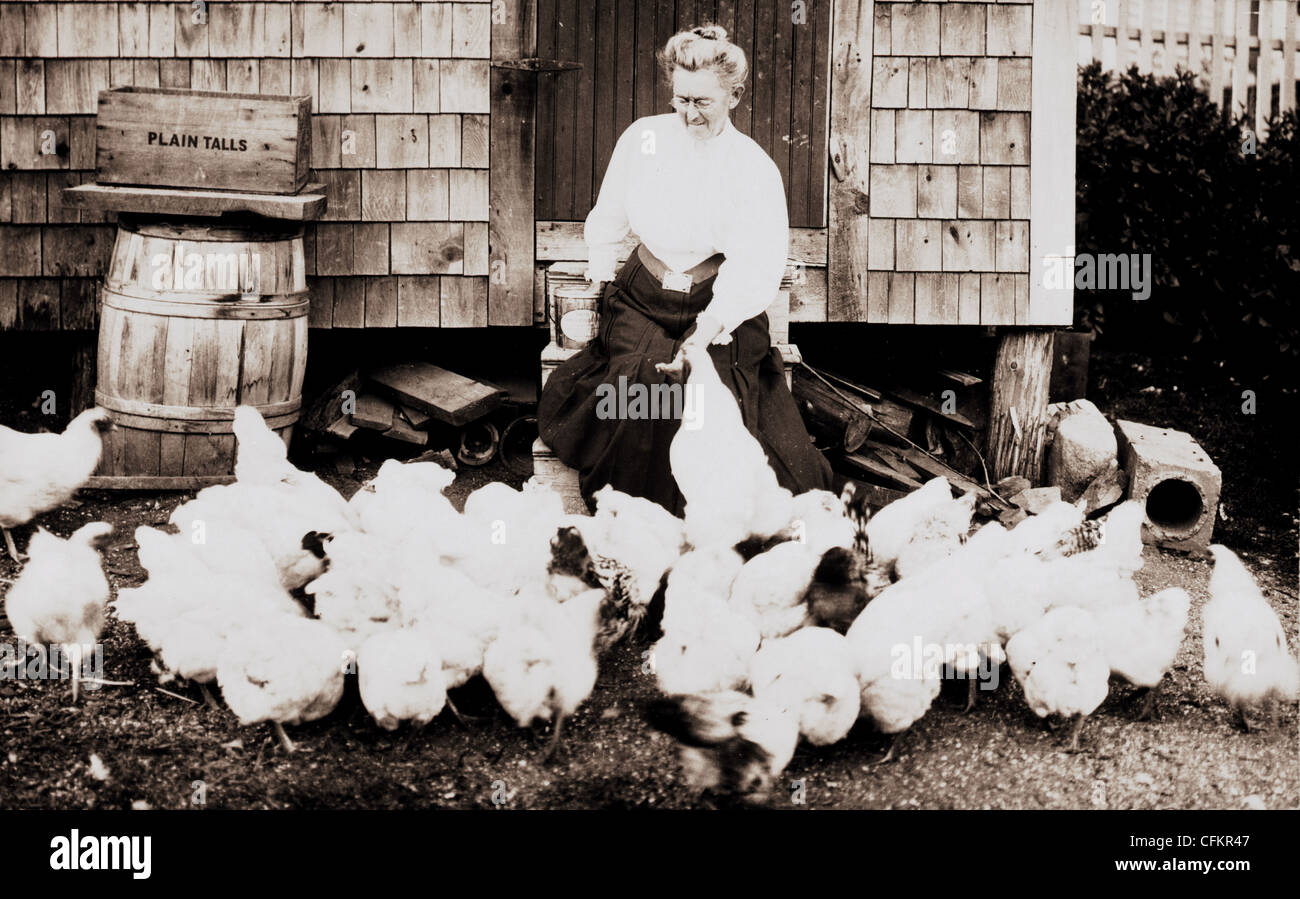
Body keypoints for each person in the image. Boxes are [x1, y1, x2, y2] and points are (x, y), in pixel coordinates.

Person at [538, 23, 833, 514]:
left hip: (717, 305)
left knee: (712, 399)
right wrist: (600, 269)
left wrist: (704, 335)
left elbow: (756, 264)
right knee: (641, 388)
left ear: (734, 96)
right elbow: (609, 214)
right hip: (642, 298)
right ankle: (636, 519)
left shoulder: (752, 166)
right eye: (681, 100)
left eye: (703, 102)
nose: (689, 114)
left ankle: (713, 522)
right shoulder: (643, 139)